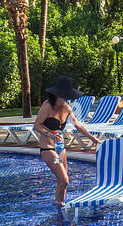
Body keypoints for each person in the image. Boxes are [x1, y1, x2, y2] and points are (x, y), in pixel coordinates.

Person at [33, 76, 100, 207]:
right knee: (64, 180)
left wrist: (94, 139)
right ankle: (59, 205)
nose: (65, 99)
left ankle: (60, 206)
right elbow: (37, 125)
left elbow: (78, 125)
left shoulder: (67, 108)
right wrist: (50, 134)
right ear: (56, 94)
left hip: (60, 148)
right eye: (63, 96)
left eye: (67, 96)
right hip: (48, 148)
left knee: (62, 182)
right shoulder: (47, 106)